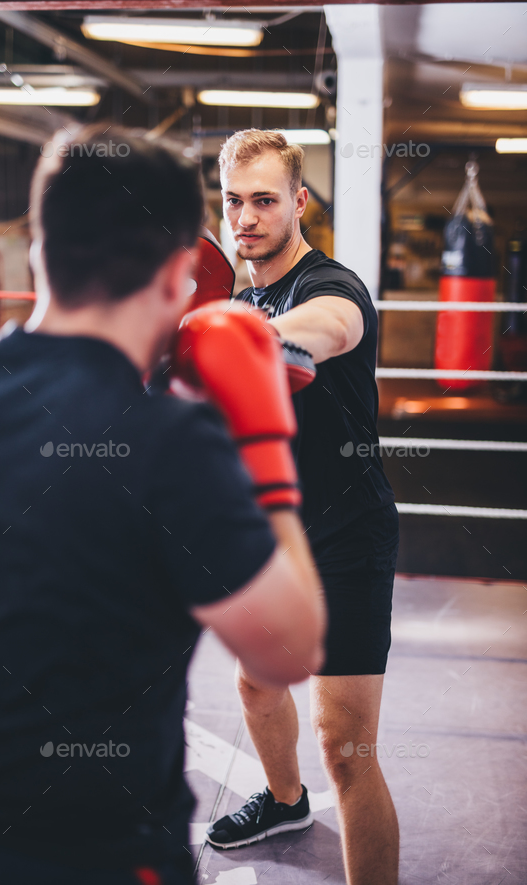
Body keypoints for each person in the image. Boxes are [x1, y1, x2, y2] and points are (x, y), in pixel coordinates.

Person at [0, 124, 326, 885]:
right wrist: (261, 442)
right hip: (105, 854)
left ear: (39, 247)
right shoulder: (169, 440)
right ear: (180, 271)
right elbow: (288, 647)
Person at [206, 129, 400, 885]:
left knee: (346, 751)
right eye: (233, 201)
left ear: (299, 202)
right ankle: (285, 801)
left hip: (349, 533)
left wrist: (249, 337)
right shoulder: (236, 294)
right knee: (257, 684)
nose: (247, 217)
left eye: (264, 200)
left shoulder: (331, 286)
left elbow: (329, 329)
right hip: (271, 533)